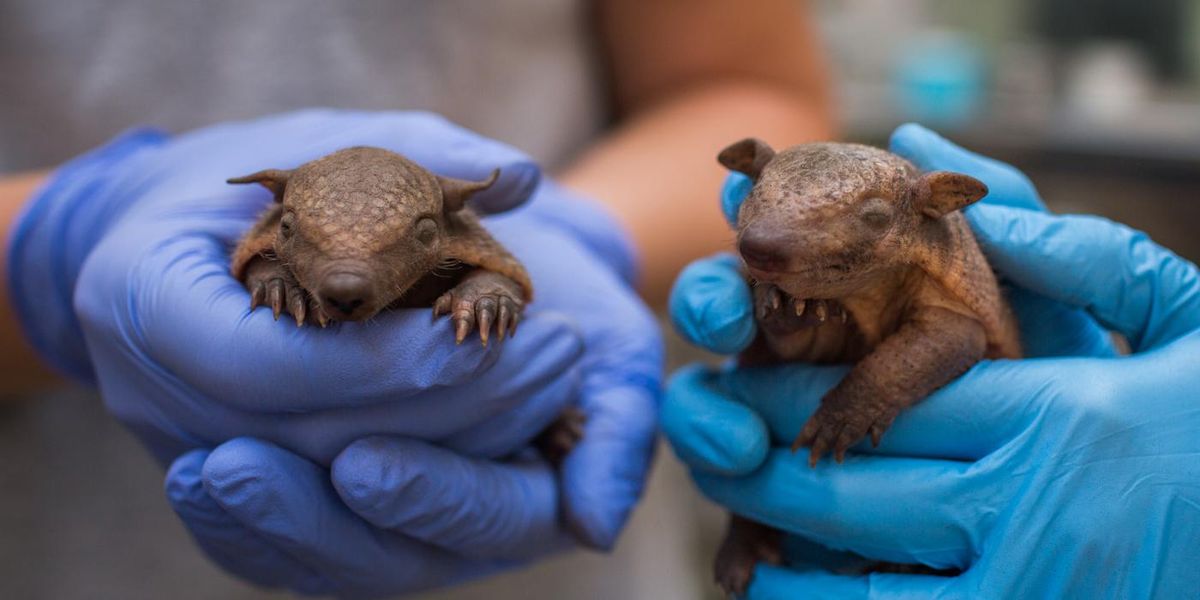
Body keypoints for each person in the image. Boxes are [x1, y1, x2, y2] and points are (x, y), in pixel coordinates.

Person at [0, 0, 832, 596]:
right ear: (276, 216)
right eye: (303, 252)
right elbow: (259, 260)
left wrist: (599, 237)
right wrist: (44, 258)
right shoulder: (268, 244)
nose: (350, 285)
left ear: (449, 222)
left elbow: (743, 84)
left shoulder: (467, 241)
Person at [665, 123, 1200, 598]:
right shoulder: (793, 252)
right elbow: (775, 328)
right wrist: (777, 304)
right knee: (764, 450)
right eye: (761, 195)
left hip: (968, 460)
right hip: (806, 441)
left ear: (935, 204)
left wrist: (862, 397)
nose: (764, 238)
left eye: (871, 216)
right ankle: (754, 529)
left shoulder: (924, 270)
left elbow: (957, 334)